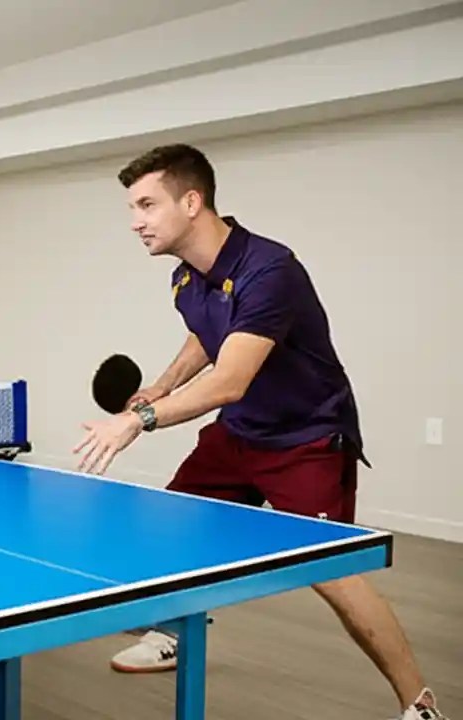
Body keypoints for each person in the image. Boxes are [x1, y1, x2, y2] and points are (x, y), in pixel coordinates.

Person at [72, 144, 448, 720]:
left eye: (146, 205)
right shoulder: (184, 278)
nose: (135, 222)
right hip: (241, 434)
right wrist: (162, 386)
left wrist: (136, 420)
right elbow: (208, 334)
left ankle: (419, 703)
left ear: (192, 202)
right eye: (132, 208)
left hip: (307, 438)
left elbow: (229, 380)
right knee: (174, 527)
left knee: (334, 574)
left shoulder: (270, 271)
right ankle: (176, 633)